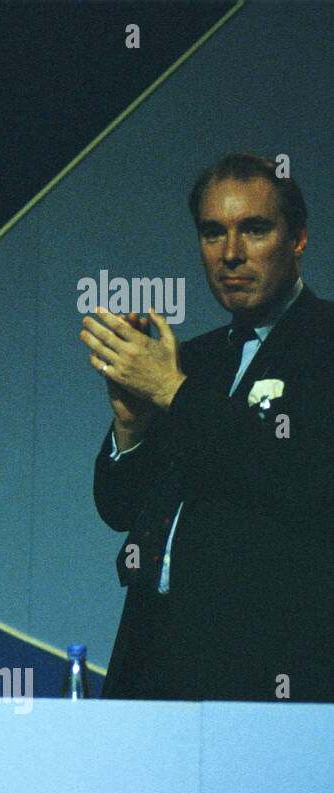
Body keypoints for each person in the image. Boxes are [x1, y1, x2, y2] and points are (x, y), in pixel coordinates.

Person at [82, 153, 334, 702]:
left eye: (255, 229)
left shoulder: (325, 344)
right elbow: (119, 509)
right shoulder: (192, 360)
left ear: (299, 239)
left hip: (270, 670)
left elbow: (305, 479)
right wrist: (132, 425)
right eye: (213, 233)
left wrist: (172, 393)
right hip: (154, 658)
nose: (231, 254)